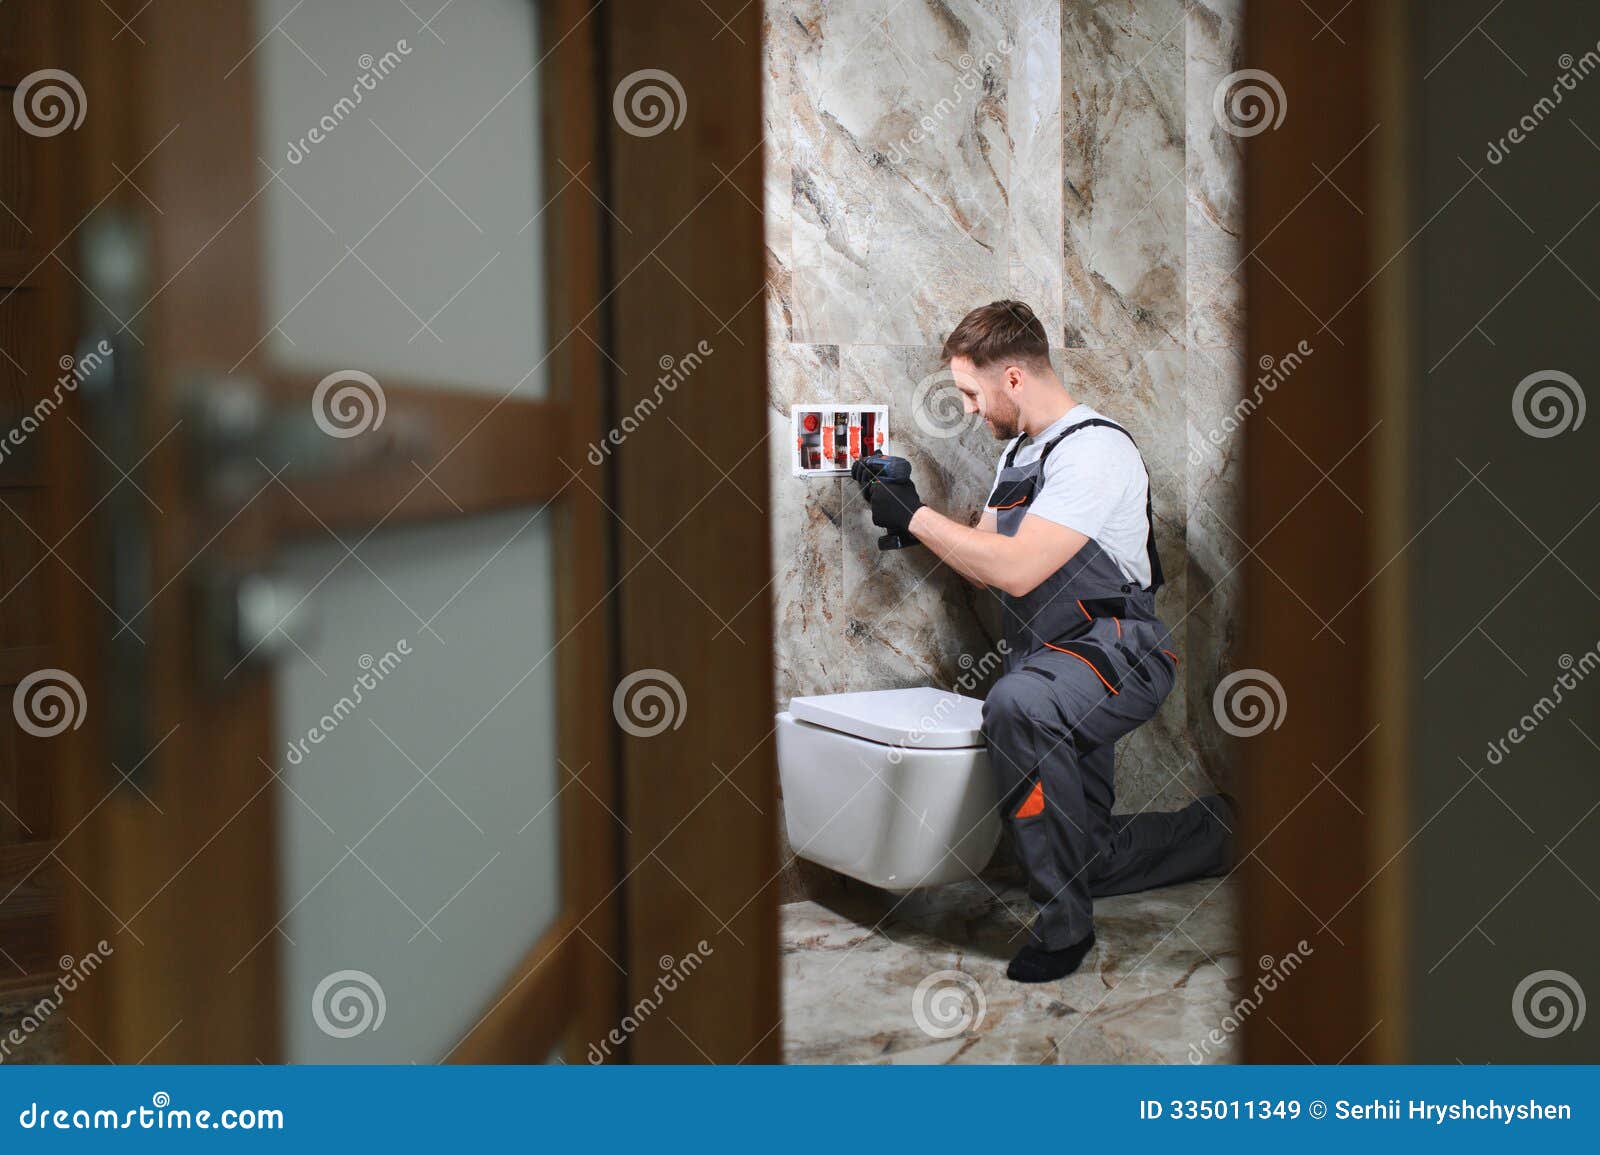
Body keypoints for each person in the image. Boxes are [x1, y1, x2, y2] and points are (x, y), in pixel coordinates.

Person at [854, 300, 1234, 983]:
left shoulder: (1095, 450)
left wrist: (920, 518)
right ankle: (1227, 830)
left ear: (1014, 380)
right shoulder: (1021, 456)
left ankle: (1064, 930)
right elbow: (989, 550)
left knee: (1019, 705)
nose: (969, 408)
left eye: (971, 392)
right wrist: (909, 515)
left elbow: (1019, 567)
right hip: (1051, 661)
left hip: (1117, 651)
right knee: (1092, 855)